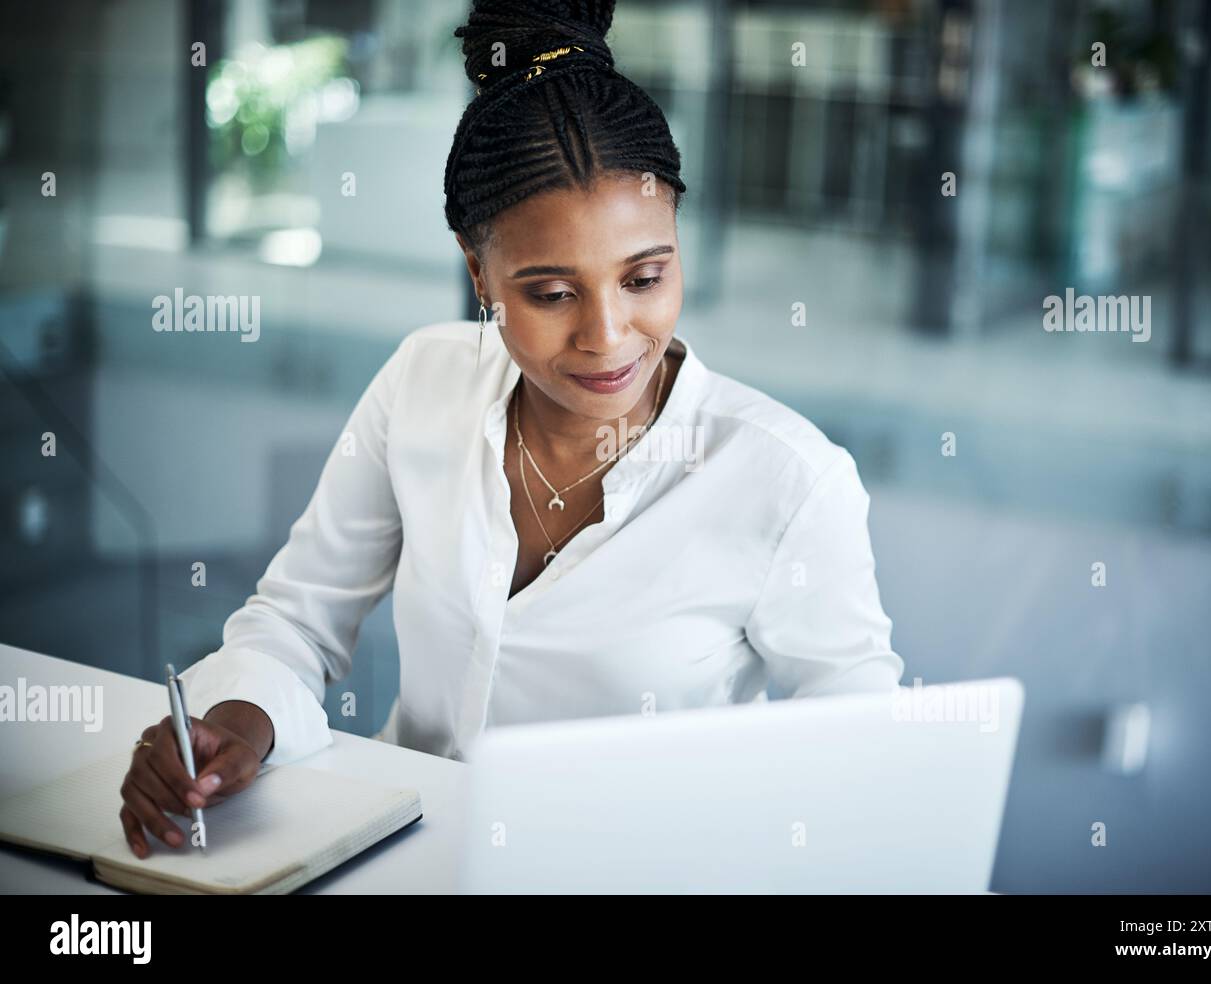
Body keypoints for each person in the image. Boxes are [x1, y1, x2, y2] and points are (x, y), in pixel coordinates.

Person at [119, 0, 903, 860]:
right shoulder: (425, 382)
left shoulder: (786, 480)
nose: (607, 336)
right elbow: (298, 622)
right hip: (400, 862)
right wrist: (237, 722)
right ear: (477, 270)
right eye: (552, 293)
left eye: (644, 277)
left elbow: (864, 764)